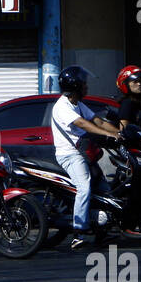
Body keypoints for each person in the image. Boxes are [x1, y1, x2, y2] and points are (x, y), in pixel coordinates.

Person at [50, 65, 120, 248]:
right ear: (75, 87)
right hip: (70, 155)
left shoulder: (78, 104)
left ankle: (102, 231)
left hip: (84, 153)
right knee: (85, 188)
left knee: (104, 188)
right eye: (84, 84)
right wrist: (106, 135)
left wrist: (120, 133)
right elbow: (83, 124)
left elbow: (97, 120)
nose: (87, 87)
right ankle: (78, 232)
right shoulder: (62, 107)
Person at [115, 65, 141, 130]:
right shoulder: (127, 103)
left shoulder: (140, 102)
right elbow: (124, 130)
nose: (139, 84)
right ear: (125, 84)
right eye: (135, 82)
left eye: (140, 81)